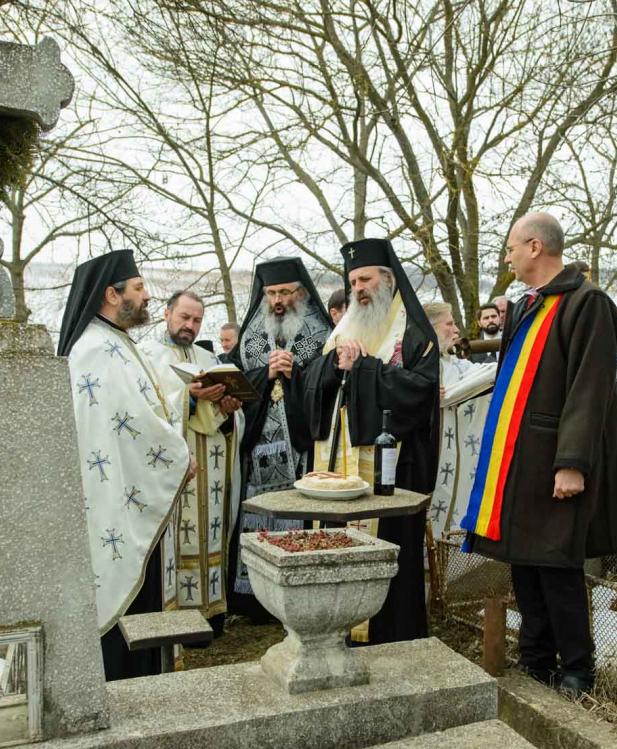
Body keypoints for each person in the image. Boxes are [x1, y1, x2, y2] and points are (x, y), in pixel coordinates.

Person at [462, 213, 617, 697]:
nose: (507, 255)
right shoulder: (527, 305)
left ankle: (577, 668)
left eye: (512, 247)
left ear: (535, 247)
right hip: (519, 458)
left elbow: (590, 387)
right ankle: (536, 659)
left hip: (557, 457)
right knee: (524, 560)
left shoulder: (587, 302)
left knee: (557, 565)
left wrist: (572, 462)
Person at [58, 249, 194, 680]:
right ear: (112, 294)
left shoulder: (113, 341)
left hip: (125, 493)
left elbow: (143, 408)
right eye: (138, 288)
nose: (147, 295)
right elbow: (131, 424)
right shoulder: (96, 349)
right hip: (113, 500)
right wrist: (180, 456)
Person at [301, 238, 439, 644]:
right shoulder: (342, 330)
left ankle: (387, 637)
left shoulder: (413, 333)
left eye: (365, 279)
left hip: (389, 473)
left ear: (388, 280)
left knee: (389, 558)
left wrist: (364, 369)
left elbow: (421, 394)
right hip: (336, 469)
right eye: (352, 281)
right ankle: (329, 630)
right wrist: (331, 367)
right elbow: (312, 387)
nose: (358, 288)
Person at [228, 257, 334, 621]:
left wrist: (297, 375)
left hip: (298, 445)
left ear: (301, 292)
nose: (277, 300)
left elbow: (327, 383)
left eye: (284, 292)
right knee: (257, 511)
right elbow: (240, 376)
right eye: (271, 292)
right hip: (258, 442)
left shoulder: (321, 332)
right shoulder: (252, 332)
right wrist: (264, 373)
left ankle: (293, 593)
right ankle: (253, 598)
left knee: (295, 509)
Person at [141, 291, 245, 635]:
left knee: (211, 533)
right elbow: (146, 415)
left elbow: (231, 422)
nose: (190, 325)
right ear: (167, 313)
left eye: (197, 320)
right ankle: (178, 620)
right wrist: (189, 397)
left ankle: (212, 613)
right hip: (176, 467)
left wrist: (227, 410)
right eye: (184, 317)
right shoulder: (147, 357)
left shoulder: (208, 357)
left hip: (212, 466)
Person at [423, 301, 497, 538]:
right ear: (431, 328)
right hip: (431, 453)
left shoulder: (452, 362)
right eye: (449, 323)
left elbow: (482, 374)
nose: (456, 330)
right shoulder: (423, 365)